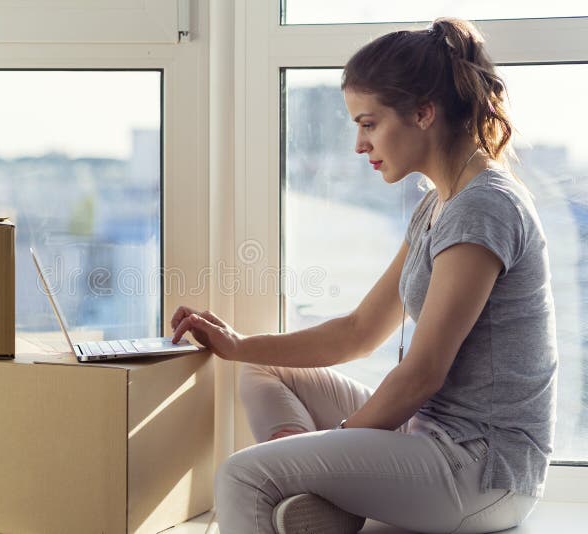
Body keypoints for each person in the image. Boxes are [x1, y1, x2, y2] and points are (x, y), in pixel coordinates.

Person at [170, 17, 557, 534]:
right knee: (261, 368)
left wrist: (332, 442)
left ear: (423, 113)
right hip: (429, 435)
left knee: (243, 476)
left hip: (482, 471)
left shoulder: (483, 209)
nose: (359, 144)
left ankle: (317, 489)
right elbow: (359, 332)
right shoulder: (439, 206)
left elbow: (422, 375)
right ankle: (324, 497)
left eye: (369, 123)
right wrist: (238, 344)